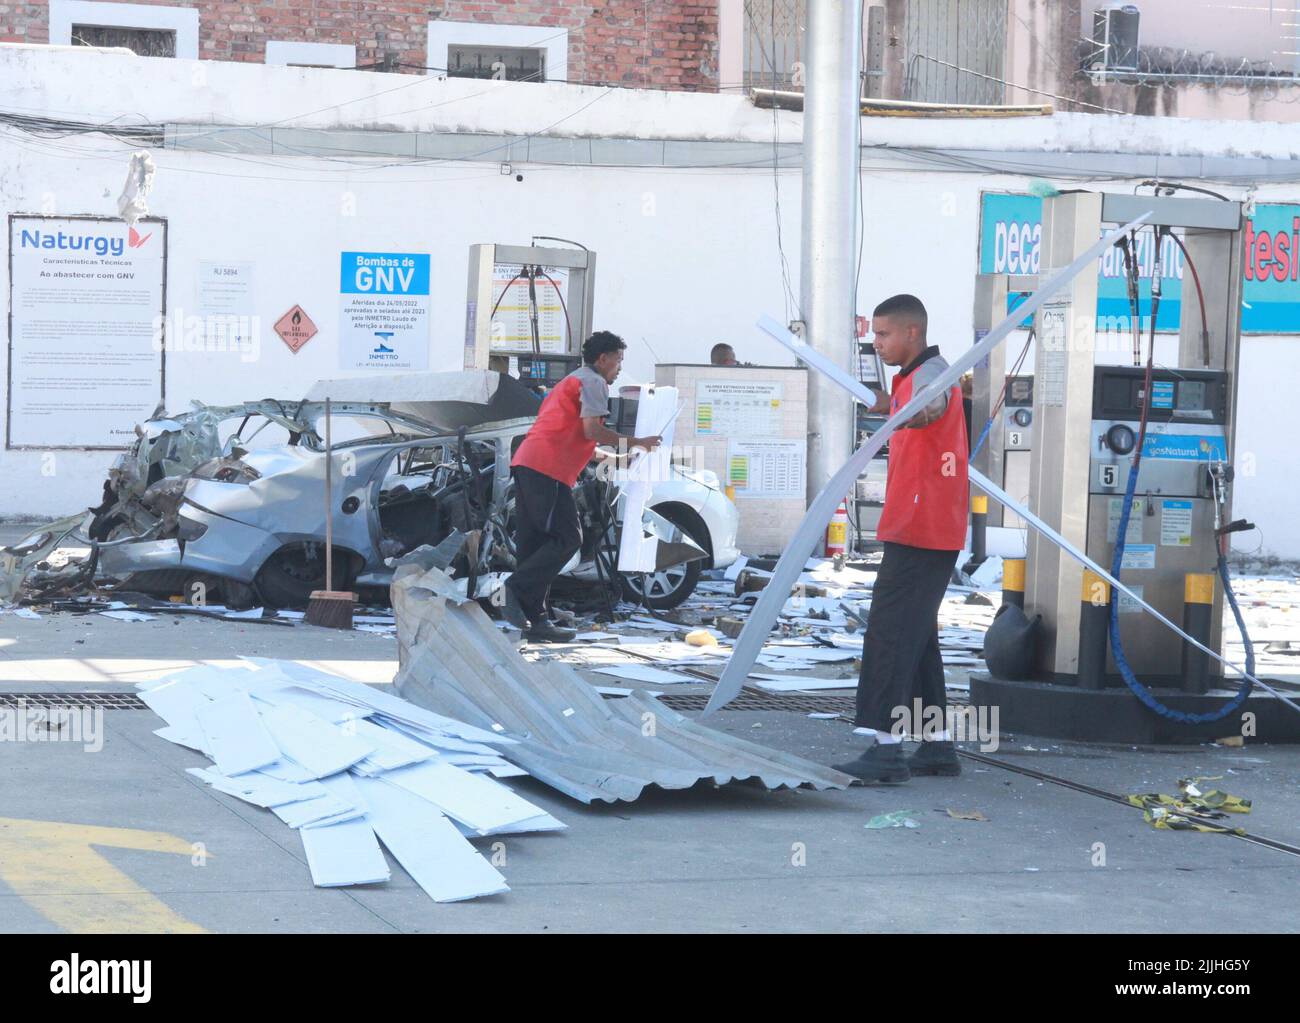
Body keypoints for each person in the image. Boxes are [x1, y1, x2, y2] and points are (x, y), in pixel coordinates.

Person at [834, 294, 969, 784]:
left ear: (913, 332)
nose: (878, 344)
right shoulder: (916, 376)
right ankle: (935, 744)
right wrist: (892, 405)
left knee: (890, 632)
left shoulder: (932, 375)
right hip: (929, 525)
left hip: (920, 527)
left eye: (885, 334)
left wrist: (906, 412)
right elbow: (914, 403)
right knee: (918, 636)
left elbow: (928, 405)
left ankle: (885, 747)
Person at [504, 331, 661, 642]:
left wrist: (620, 459)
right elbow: (592, 431)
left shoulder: (572, 381)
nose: (618, 369)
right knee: (568, 539)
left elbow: (582, 442)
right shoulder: (594, 383)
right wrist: (638, 441)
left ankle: (536, 623)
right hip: (546, 469)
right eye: (618, 361)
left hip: (531, 463)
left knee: (536, 546)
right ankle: (516, 588)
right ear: (603, 360)